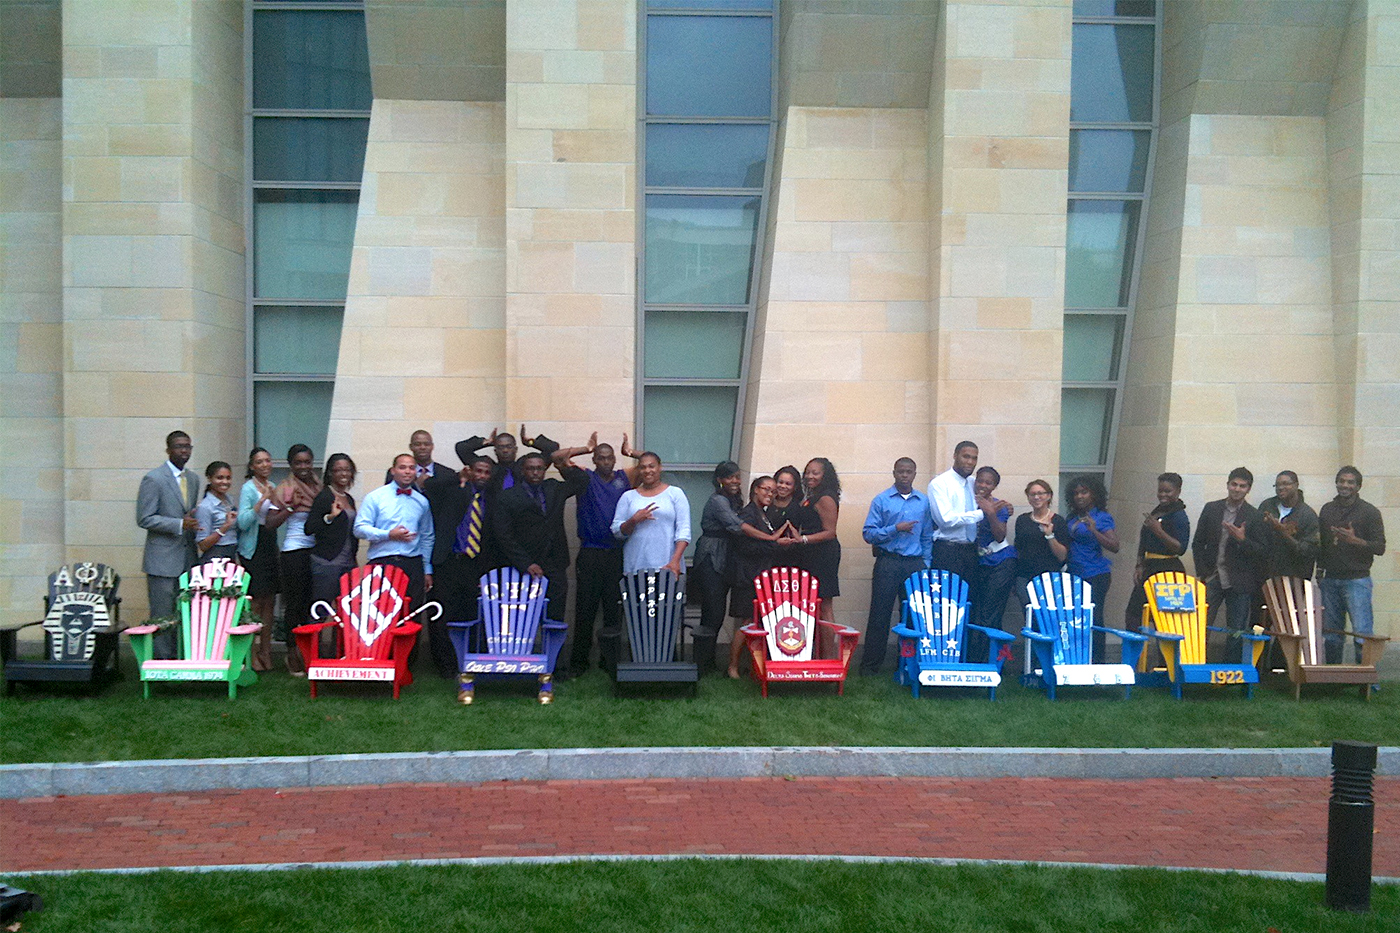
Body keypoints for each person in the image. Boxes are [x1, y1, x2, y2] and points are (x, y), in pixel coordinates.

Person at [553, 433, 639, 677]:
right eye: (600, 458)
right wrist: (585, 447)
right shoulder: (585, 478)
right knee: (585, 609)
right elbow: (557, 458)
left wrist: (630, 452)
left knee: (613, 610)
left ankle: (609, 660)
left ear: (614, 459)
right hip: (590, 553)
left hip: (617, 553)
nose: (605, 462)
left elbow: (652, 462)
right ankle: (579, 662)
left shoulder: (624, 477)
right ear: (594, 460)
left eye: (609, 457)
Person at [494, 451, 587, 626]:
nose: (535, 472)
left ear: (545, 470)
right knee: (521, 618)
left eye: (539, 468)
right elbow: (504, 535)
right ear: (523, 471)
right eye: (530, 469)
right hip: (524, 564)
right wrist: (526, 563)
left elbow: (582, 481)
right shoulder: (508, 496)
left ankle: (553, 644)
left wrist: (563, 466)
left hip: (555, 561)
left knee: (555, 615)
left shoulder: (554, 488)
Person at [860, 457, 933, 676]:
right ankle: (870, 667)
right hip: (888, 562)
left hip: (914, 564)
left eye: (909, 471)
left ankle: (907, 665)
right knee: (879, 614)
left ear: (914, 474)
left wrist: (926, 563)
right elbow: (868, 533)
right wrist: (895, 529)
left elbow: (927, 536)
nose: (904, 475)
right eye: (901, 471)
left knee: (912, 615)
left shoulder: (923, 502)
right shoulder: (881, 500)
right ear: (894, 473)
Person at [136, 431, 200, 658]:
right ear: (168, 450)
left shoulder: (193, 479)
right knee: (163, 614)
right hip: (162, 560)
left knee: (186, 612)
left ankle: (184, 658)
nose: (184, 451)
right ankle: (163, 662)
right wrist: (179, 524)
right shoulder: (154, 479)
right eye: (179, 446)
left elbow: (187, 512)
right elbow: (144, 518)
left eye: (188, 447)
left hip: (187, 558)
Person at [432, 456, 498, 671]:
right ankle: (445, 665)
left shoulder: (493, 500)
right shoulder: (453, 492)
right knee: (445, 615)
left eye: (487, 472)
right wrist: (457, 477)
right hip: (450, 561)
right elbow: (430, 485)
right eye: (479, 471)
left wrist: (486, 570)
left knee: (472, 613)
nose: (482, 476)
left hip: (475, 565)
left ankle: (471, 660)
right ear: (470, 471)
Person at [354, 454, 436, 623]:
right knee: (380, 616)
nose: (407, 471)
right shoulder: (375, 497)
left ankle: (410, 642)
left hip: (413, 564)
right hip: (382, 562)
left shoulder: (421, 501)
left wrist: (427, 569)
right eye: (402, 467)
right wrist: (388, 534)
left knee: (412, 616)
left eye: (411, 468)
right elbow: (359, 529)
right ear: (393, 471)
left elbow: (427, 536)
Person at [1319, 466, 1387, 665]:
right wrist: (1319, 572)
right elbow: (1322, 544)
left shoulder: (1370, 512)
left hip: (1357, 580)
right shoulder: (1327, 509)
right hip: (1330, 579)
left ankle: (1365, 677)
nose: (1345, 485)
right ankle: (1332, 676)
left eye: (1350, 482)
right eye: (1341, 481)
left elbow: (1380, 547)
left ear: (1358, 486)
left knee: (1362, 633)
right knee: (1331, 634)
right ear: (1336, 483)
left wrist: (1355, 540)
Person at [265, 444, 321, 674]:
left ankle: (309, 652)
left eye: (307, 462)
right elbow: (270, 523)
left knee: (310, 604)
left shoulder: (319, 486)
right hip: (294, 551)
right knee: (294, 605)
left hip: (316, 551)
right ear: (290, 465)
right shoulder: (285, 488)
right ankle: (292, 654)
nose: (303, 466)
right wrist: (290, 508)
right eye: (298, 463)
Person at [1190, 467, 1263, 635]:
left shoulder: (1254, 516)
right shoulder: (1212, 508)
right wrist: (1203, 572)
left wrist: (1242, 540)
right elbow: (1198, 543)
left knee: (1236, 632)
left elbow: (1261, 551)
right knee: (1200, 626)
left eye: (1242, 486)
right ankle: (1200, 654)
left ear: (1248, 489)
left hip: (1240, 581)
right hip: (1212, 576)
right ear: (1227, 485)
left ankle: (1232, 654)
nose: (1237, 489)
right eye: (1234, 484)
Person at [726, 476, 784, 678]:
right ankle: (733, 666)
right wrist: (774, 545)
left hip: (760, 575)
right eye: (766, 489)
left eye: (773, 491)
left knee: (756, 621)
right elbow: (744, 546)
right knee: (747, 622)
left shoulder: (763, 514)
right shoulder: (748, 514)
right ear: (755, 490)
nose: (770, 494)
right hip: (747, 576)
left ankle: (752, 666)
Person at [692, 461, 745, 673]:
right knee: (713, 610)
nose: (735, 481)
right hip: (711, 557)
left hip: (725, 556)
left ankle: (707, 660)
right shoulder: (718, 500)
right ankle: (703, 661)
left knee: (716, 611)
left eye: (737, 477)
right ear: (719, 480)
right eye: (730, 477)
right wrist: (766, 535)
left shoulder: (733, 499)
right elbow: (736, 526)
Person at [1123, 472, 1190, 631]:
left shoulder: (1179, 516)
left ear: (1178, 491)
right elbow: (1144, 541)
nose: (1163, 495)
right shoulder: (1157, 511)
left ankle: (1167, 648)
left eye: (1168, 491)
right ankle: (1136, 647)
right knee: (1134, 615)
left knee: (1167, 620)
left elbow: (1180, 548)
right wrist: (1139, 564)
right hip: (1149, 569)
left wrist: (1159, 531)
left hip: (1169, 570)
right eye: (1160, 491)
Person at [1064, 475, 1119, 661]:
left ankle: (1097, 661)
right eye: (1076, 493)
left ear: (1094, 494)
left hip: (1095, 574)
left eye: (1084, 492)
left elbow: (1115, 546)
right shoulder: (1072, 518)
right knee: (1075, 618)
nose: (1079, 496)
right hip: (1074, 573)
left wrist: (1094, 530)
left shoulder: (1102, 517)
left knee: (1094, 618)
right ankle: (1077, 658)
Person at [611, 452, 691, 577]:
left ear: (660, 468)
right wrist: (633, 520)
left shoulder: (675, 494)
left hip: (667, 566)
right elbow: (617, 531)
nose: (647, 471)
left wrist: (675, 561)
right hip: (636, 567)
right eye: (643, 467)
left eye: (651, 466)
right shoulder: (628, 497)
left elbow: (683, 530)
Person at [236, 447, 280, 671]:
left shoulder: (272, 486)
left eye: (267, 460)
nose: (265, 465)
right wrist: (261, 500)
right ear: (252, 466)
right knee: (256, 601)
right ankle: (251, 653)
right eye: (259, 462)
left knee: (270, 601)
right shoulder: (248, 488)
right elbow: (243, 522)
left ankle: (266, 651)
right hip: (253, 548)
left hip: (270, 544)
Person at [969, 466, 1016, 663]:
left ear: (994, 486)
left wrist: (990, 513)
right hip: (977, 564)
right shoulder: (966, 503)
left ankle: (990, 662)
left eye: (988, 483)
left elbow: (1000, 536)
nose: (983, 485)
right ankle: (974, 658)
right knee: (976, 612)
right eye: (980, 481)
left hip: (1001, 563)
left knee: (991, 613)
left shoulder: (1000, 506)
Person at [927, 441, 988, 582]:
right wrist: (981, 514)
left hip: (972, 551)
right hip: (948, 551)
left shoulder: (974, 482)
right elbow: (945, 520)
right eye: (966, 456)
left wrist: (1002, 507)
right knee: (948, 594)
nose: (970, 462)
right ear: (955, 456)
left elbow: (987, 501)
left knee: (970, 593)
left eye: (974, 458)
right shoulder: (939, 483)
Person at [306, 453, 360, 607]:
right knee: (322, 608)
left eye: (347, 470)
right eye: (339, 470)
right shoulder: (324, 497)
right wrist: (330, 517)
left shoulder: (349, 499)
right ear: (330, 473)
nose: (344, 474)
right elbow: (309, 528)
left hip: (348, 562)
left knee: (348, 610)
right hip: (328, 562)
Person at [793, 458, 842, 622]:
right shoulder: (813, 496)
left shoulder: (826, 498)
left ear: (825, 475)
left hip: (823, 555)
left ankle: (828, 640)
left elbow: (830, 532)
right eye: (807, 472)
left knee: (824, 604)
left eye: (815, 473)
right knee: (810, 602)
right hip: (810, 553)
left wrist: (803, 539)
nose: (809, 476)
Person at [1012, 479, 1071, 607]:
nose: (1036, 497)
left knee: (1046, 616)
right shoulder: (1022, 520)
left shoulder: (1058, 521)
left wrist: (1049, 535)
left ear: (1048, 496)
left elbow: (1062, 556)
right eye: (1032, 494)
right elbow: (1018, 549)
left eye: (1041, 493)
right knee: (1029, 614)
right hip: (1024, 577)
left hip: (1049, 578)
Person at [454, 425, 561, 495]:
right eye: (501, 447)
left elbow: (552, 448)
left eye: (509, 446)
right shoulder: (487, 468)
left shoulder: (526, 466)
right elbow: (461, 448)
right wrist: (487, 442)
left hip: (522, 514)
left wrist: (531, 442)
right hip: (494, 516)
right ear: (495, 451)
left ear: (515, 449)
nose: (505, 450)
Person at [1256, 470, 1320, 580]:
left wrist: (1283, 532)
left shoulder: (1307, 515)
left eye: (1285, 484)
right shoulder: (1267, 506)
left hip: (1295, 578)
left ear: (1296, 485)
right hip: (1266, 577)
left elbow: (1308, 552)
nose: (1281, 488)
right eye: (1277, 485)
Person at [193, 461, 238, 565]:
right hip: (216, 557)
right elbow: (203, 545)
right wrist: (225, 526)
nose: (225, 482)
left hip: (231, 553)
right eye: (219, 478)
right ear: (209, 478)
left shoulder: (229, 500)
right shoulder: (205, 507)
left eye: (228, 478)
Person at [385, 429, 455, 489]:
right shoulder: (396, 472)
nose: (422, 447)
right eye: (417, 444)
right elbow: (389, 495)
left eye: (427, 444)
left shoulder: (448, 473)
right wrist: (416, 485)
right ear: (411, 447)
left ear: (432, 446)